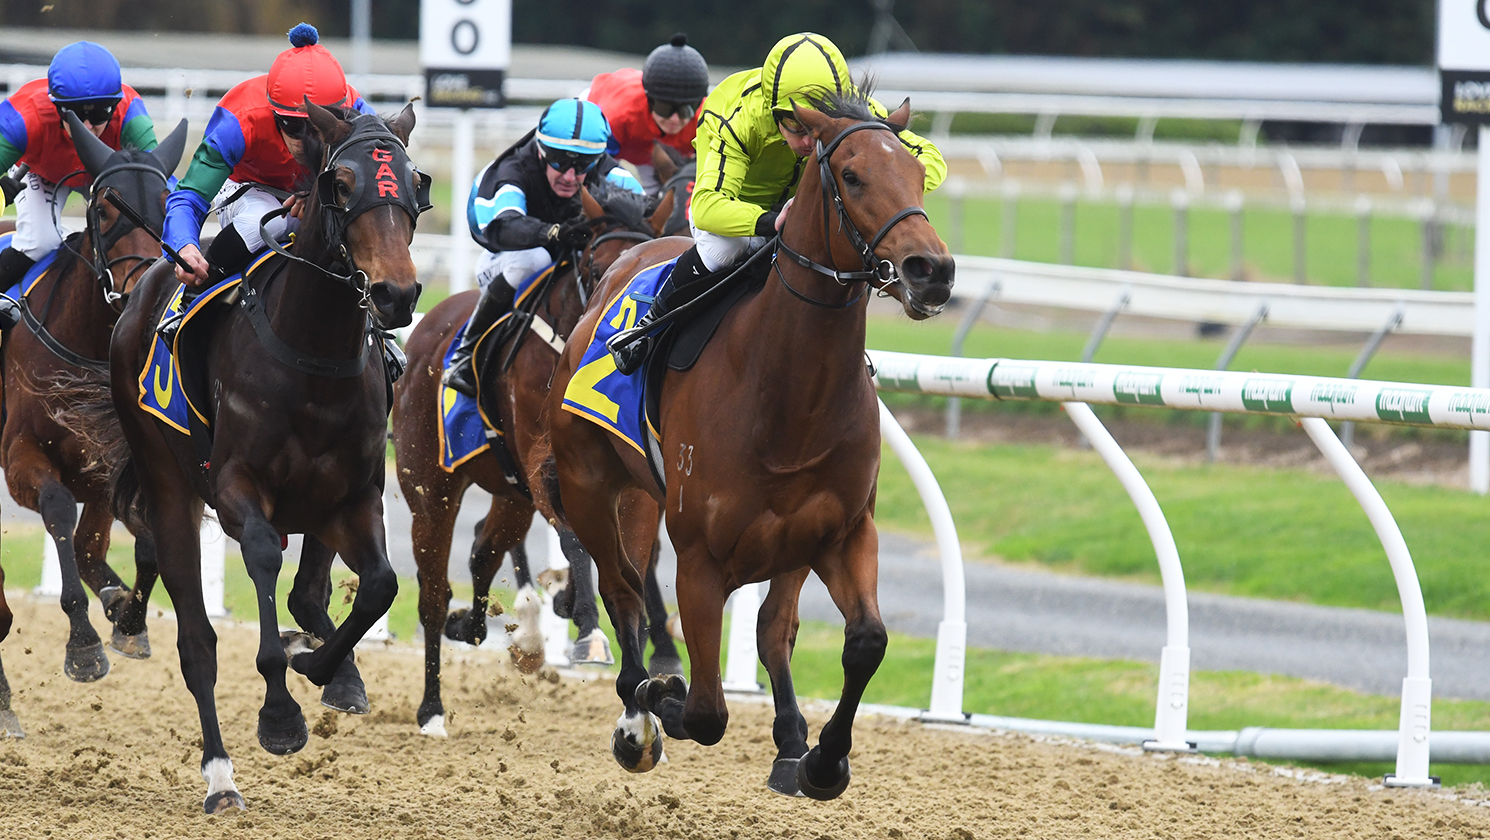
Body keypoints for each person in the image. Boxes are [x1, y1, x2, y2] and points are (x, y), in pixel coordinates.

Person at [607, 32, 946, 374]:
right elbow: (707, 207)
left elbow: (930, 160)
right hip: (738, 212)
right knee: (721, 249)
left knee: (858, 245)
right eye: (794, 124)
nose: (805, 139)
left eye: (816, 126)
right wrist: (772, 221)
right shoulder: (735, 115)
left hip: (810, 213)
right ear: (772, 109)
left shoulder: (855, 118)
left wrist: (885, 185)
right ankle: (649, 327)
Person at [441, 98, 644, 397]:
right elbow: (503, 226)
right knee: (532, 259)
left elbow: (645, 230)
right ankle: (465, 354)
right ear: (540, 150)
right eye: (559, 161)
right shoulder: (512, 172)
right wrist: (552, 232)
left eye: (582, 165)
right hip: (509, 259)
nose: (570, 176)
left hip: (575, 260)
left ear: (598, 160)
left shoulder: (612, 175)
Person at [164, 23, 376, 287]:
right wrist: (185, 246)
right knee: (269, 221)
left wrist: (314, 194)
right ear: (273, 112)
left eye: (317, 126)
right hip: (246, 188)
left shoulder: (358, 114)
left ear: (338, 116)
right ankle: (198, 294)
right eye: (292, 126)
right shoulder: (240, 122)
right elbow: (189, 196)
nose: (303, 141)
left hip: (319, 193)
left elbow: (379, 187)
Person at [0, 41, 158, 291]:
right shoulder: (22, 116)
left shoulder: (131, 114)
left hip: (104, 174)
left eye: (98, 116)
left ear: (115, 106)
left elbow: (156, 182)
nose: (86, 128)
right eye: (74, 114)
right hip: (42, 173)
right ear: (56, 106)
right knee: (40, 241)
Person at [585, 33, 708, 194]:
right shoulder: (618, 116)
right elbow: (594, 168)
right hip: (603, 120)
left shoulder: (707, 120)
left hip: (645, 144)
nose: (675, 119)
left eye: (686, 109)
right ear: (649, 100)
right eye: (665, 107)